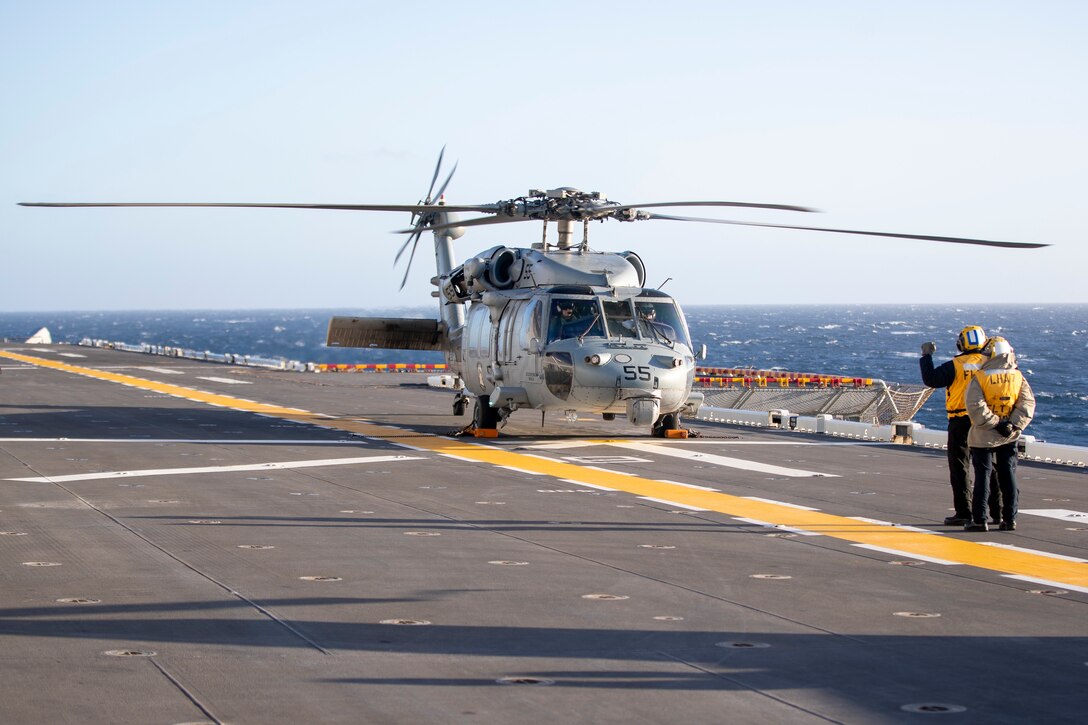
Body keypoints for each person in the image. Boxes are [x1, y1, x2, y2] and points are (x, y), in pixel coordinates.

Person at [919, 325, 994, 525]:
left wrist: (926, 356)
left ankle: (964, 512)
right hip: (986, 420)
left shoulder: (956, 365)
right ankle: (998, 511)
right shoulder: (990, 363)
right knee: (989, 467)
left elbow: (931, 380)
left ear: (961, 344)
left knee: (960, 467)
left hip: (960, 420)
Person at [963, 337, 1035, 531]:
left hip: (983, 435)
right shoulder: (1018, 376)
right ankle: (1010, 518)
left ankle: (980, 520)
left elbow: (974, 406)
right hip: (1008, 435)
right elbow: (1027, 404)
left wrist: (994, 423)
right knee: (1008, 475)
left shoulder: (981, 377)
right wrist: (1011, 425)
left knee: (983, 476)